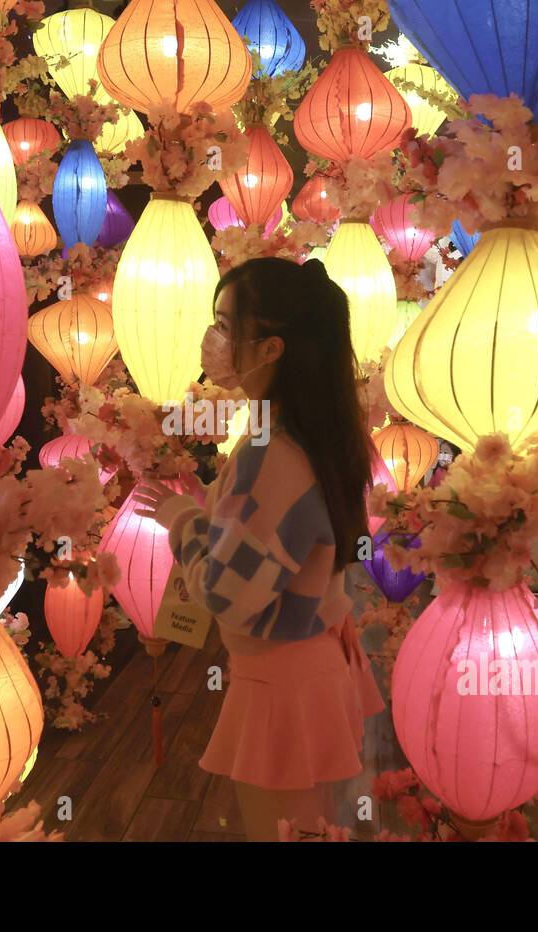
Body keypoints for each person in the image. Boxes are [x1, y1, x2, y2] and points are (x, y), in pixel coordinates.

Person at [134, 257, 385, 841]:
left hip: (282, 682)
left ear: (271, 348)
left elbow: (228, 593)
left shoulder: (268, 450)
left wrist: (182, 521)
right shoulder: (304, 434)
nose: (212, 339)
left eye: (225, 325)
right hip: (312, 668)